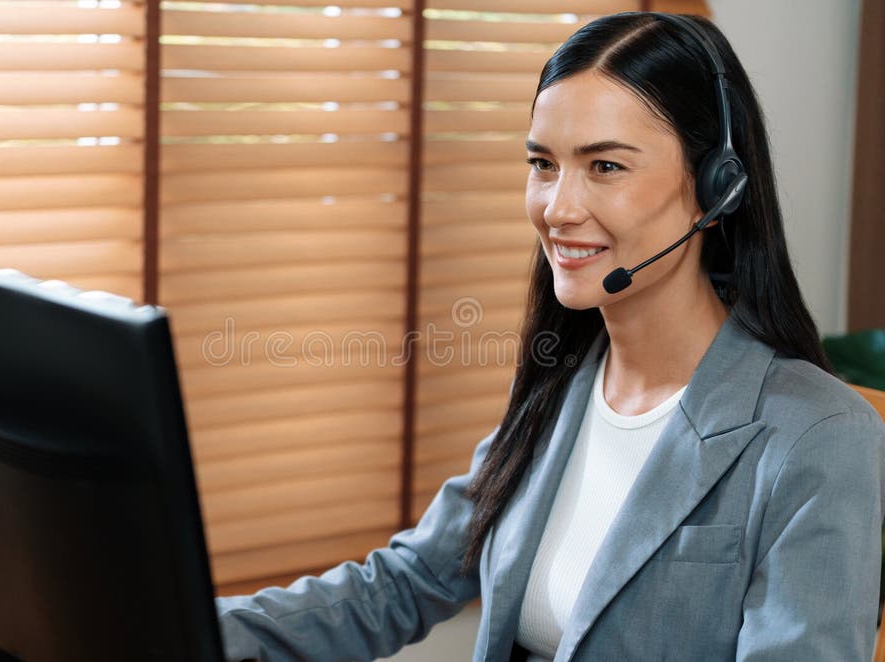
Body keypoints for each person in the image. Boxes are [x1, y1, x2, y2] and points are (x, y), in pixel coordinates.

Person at [215, 11, 885, 661]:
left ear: (718, 189)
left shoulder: (818, 437)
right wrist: (186, 623)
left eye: (605, 167)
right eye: (543, 163)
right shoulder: (561, 380)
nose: (558, 209)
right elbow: (406, 581)